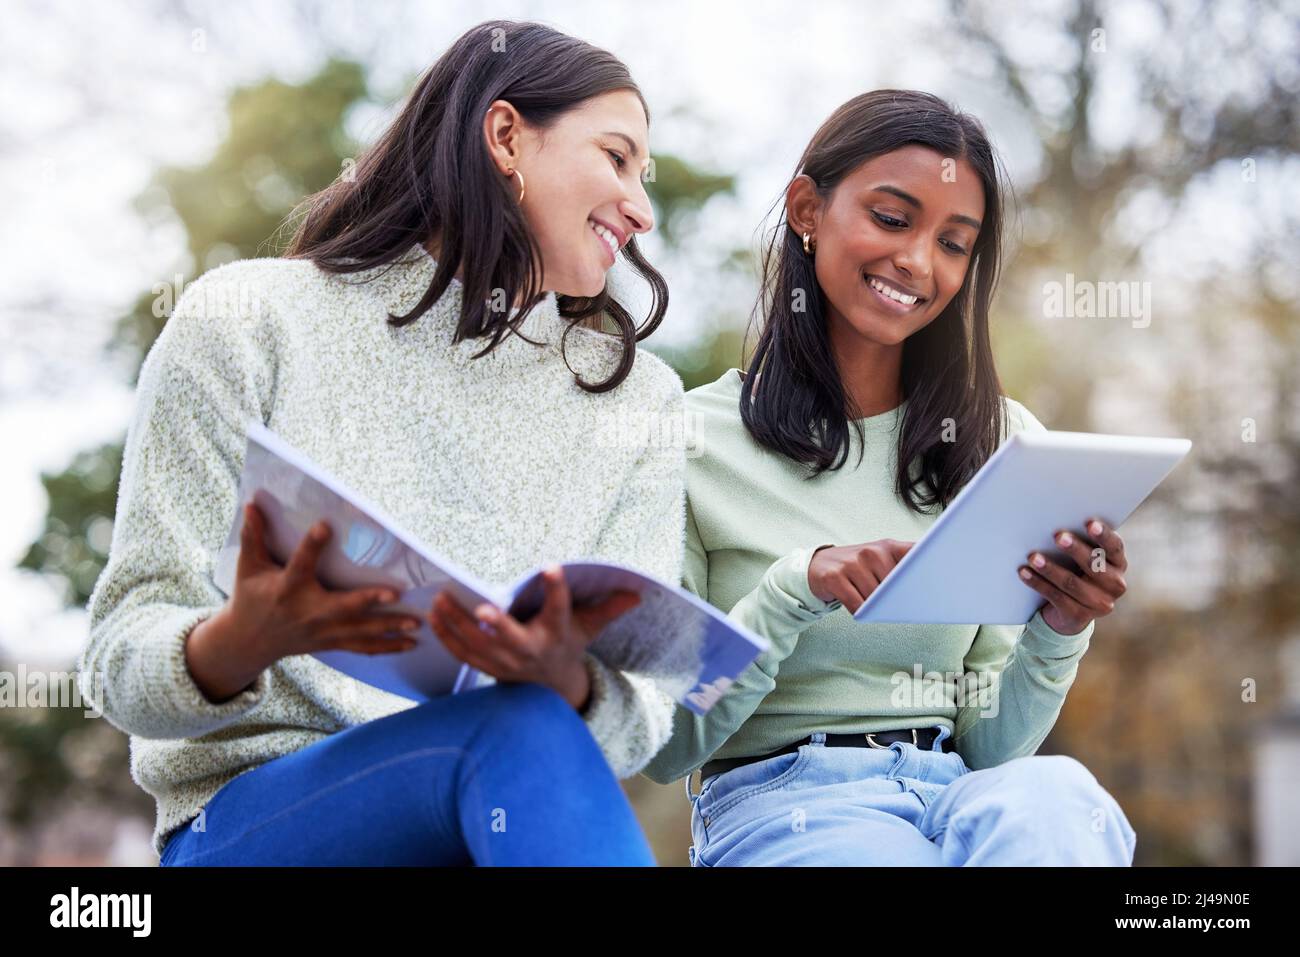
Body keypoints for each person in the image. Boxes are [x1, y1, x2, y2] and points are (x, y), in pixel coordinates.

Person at [83, 20, 684, 867]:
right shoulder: (248, 320)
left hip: (498, 817)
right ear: (507, 135)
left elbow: (645, 711)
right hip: (258, 823)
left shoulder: (640, 401)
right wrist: (240, 640)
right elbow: (117, 660)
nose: (642, 207)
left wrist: (569, 678)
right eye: (617, 158)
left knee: (529, 726)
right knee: (517, 732)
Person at [641, 89, 1138, 866]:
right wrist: (794, 589)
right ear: (807, 208)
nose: (918, 262)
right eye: (893, 218)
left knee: (1062, 798)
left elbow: (990, 746)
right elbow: (667, 742)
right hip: (781, 805)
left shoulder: (1003, 444)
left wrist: (1059, 629)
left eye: (954, 242)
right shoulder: (687, 438)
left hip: (955, 794)